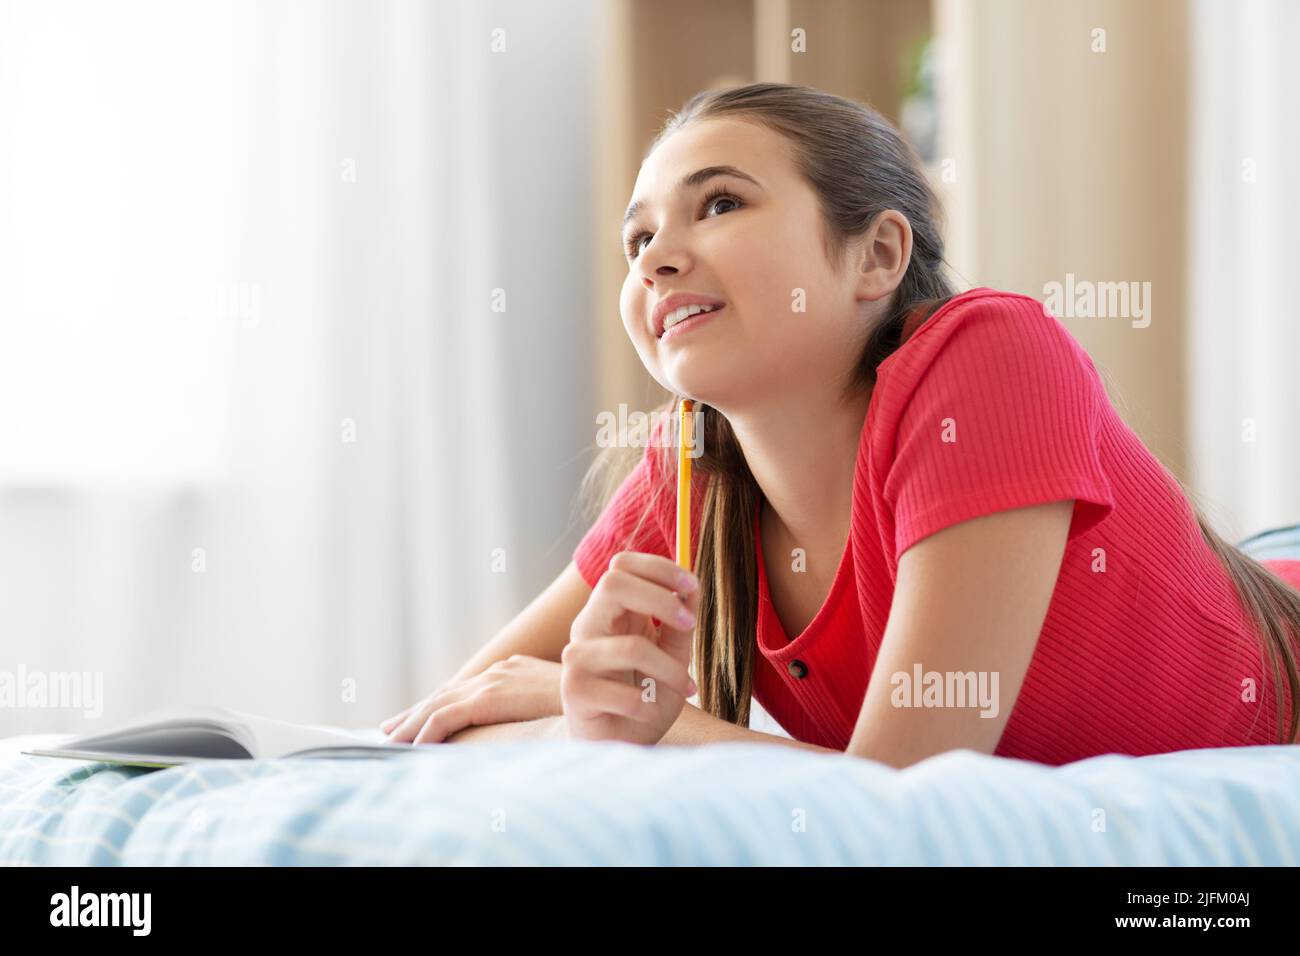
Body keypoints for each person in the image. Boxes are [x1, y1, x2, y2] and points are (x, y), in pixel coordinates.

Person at [383, 83, 1300, 768]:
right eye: (637, 240)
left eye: (721, 203)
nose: (657, 258)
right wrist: (566, 705)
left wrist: (659, 727)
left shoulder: (991, 359)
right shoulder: (695, 464)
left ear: (878, 256)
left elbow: (898, 798)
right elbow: (462, 710)